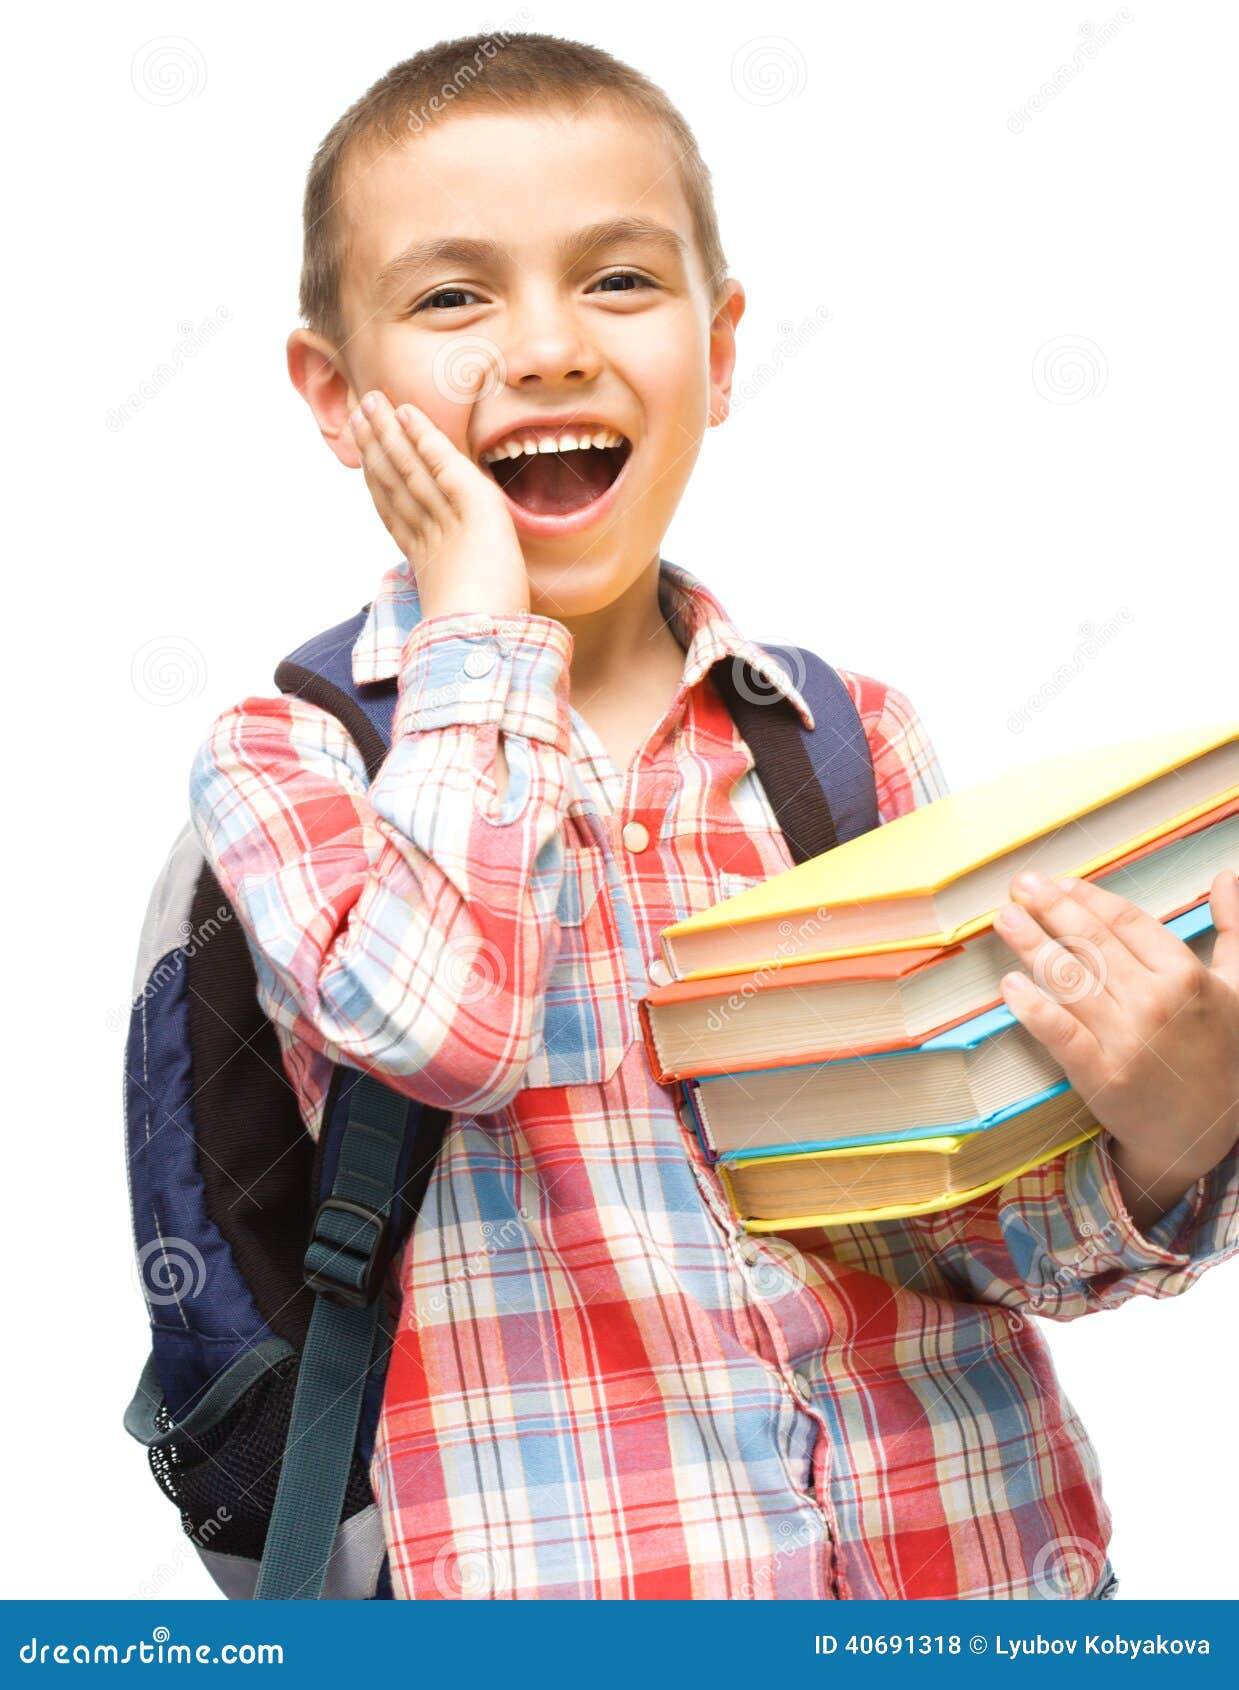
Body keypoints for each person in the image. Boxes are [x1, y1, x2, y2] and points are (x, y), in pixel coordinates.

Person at [188, 31, 1239, 1600]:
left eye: (619, 280)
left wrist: (1177, 1131)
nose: (547, 348)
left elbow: (967, 1224)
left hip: (979, 1581)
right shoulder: (292, 757)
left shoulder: (843, 740)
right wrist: (481, 632)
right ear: (336, 397)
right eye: (455, 296)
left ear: (723, 345)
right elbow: (441, 1027)